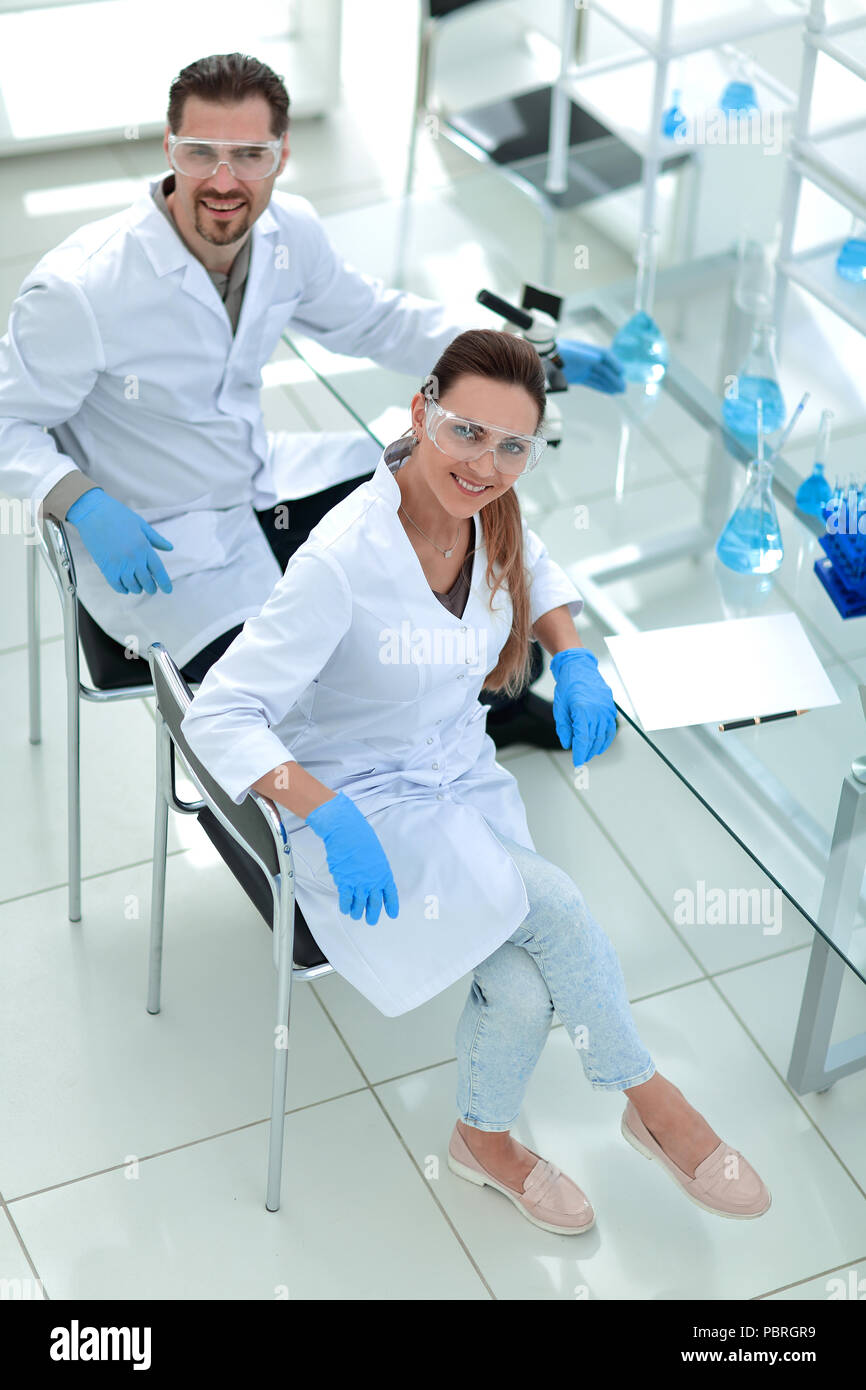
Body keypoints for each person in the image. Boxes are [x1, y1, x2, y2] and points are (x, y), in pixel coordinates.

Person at [181, 329, 770, 1234]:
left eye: (513, 447)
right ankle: (654, 1104)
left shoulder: (489, 507)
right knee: (558, 908)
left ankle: (480, 1143)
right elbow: (218, 714)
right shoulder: (342, 562)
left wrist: (573, 658)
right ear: (420, 413)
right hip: (361, 808)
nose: (486, 465)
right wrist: (327, 814)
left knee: (527, 987)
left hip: (455, 778)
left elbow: (537, 570)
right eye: (464, 433)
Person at [0, 51, 624, 746]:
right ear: (168, 148)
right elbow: (7, 422)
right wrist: (79, 498)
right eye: (200, 153)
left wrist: (528, 352)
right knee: (339, 696)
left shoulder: (286, 235)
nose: (224, 179)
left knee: (463, 501)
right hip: (165, 547)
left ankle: (495, 708)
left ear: (283, 154)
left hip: (262, 483)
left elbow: (380, 322)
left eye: (251, 155)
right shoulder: (81, 289)